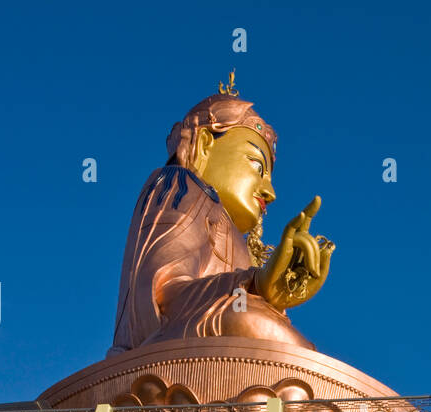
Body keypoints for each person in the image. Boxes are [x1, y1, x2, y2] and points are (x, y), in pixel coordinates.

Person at [109, 76, 334, 355]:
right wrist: (255, 285)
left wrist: (272, 290)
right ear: (204, 146)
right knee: (258, 327)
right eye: (257, 167)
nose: (270, 191)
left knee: (296, 348)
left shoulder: (236, 238)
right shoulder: (178, 184)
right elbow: (162, 299)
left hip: (215, 347)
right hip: (163, 351)